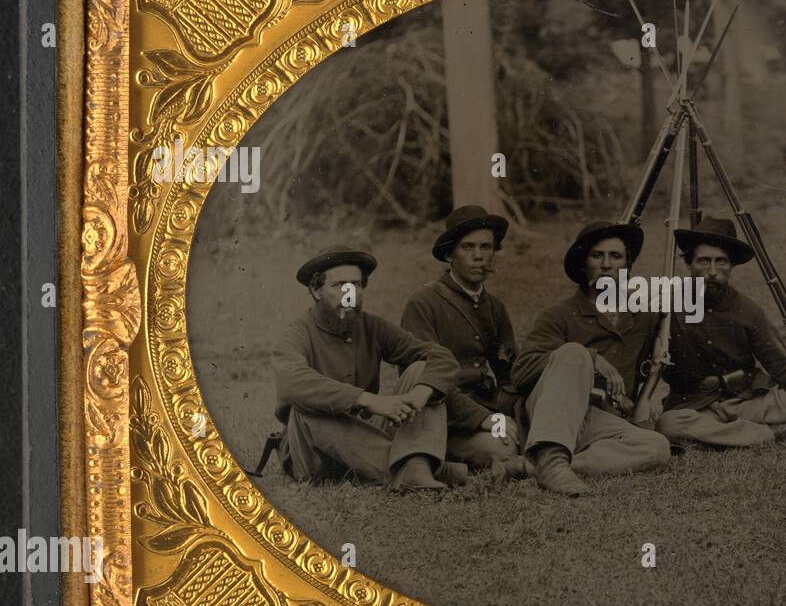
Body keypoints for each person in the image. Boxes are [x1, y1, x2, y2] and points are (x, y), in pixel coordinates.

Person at [272, 245, 466, 491]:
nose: (349, 295)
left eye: (356, 285)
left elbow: (441, 357)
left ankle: (414, 467)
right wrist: (368, 400)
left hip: (366, 437)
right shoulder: (297, 333)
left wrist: (421, 393)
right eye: (339, 286)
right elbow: (292, 383)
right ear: (316, 290)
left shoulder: (373, 327)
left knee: (420, 370)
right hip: (314, 453)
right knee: (307, 406)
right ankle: (422, 467)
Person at [511, 220, 672, 495]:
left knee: (656, 446)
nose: (606, 264)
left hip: (602, 420)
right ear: (584, 265)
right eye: (597, 256)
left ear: (627, 267)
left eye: (616, 256)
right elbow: (521, 372)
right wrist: (590, 358)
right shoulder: (558, 315)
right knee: (574, 352)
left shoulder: (644, 317)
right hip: (556, 414)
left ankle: (536, 468)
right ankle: (551, 458)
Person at [655, 215, 786, 447]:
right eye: (704, 261)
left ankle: (733, 436)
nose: (712, 270)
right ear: (689, 264)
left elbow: (782, 366)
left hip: (747, 400)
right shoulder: (667, 307)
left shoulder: (748, 310)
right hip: (696, 406)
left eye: (721, 262)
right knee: (668, 425)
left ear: (732, 266)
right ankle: (767, 435)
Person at [401, 206, 525, 477]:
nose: (479, 256)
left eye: (486, 247)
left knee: (526, 435)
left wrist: (516, 412)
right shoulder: (424, 302)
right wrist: (484, 419)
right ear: (449, 255)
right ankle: (435, 458)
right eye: (468, 247)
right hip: (442, 413)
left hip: (486, 405)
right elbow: (423, 378)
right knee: (501, 449)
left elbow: (508, 374)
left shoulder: (494, 307)